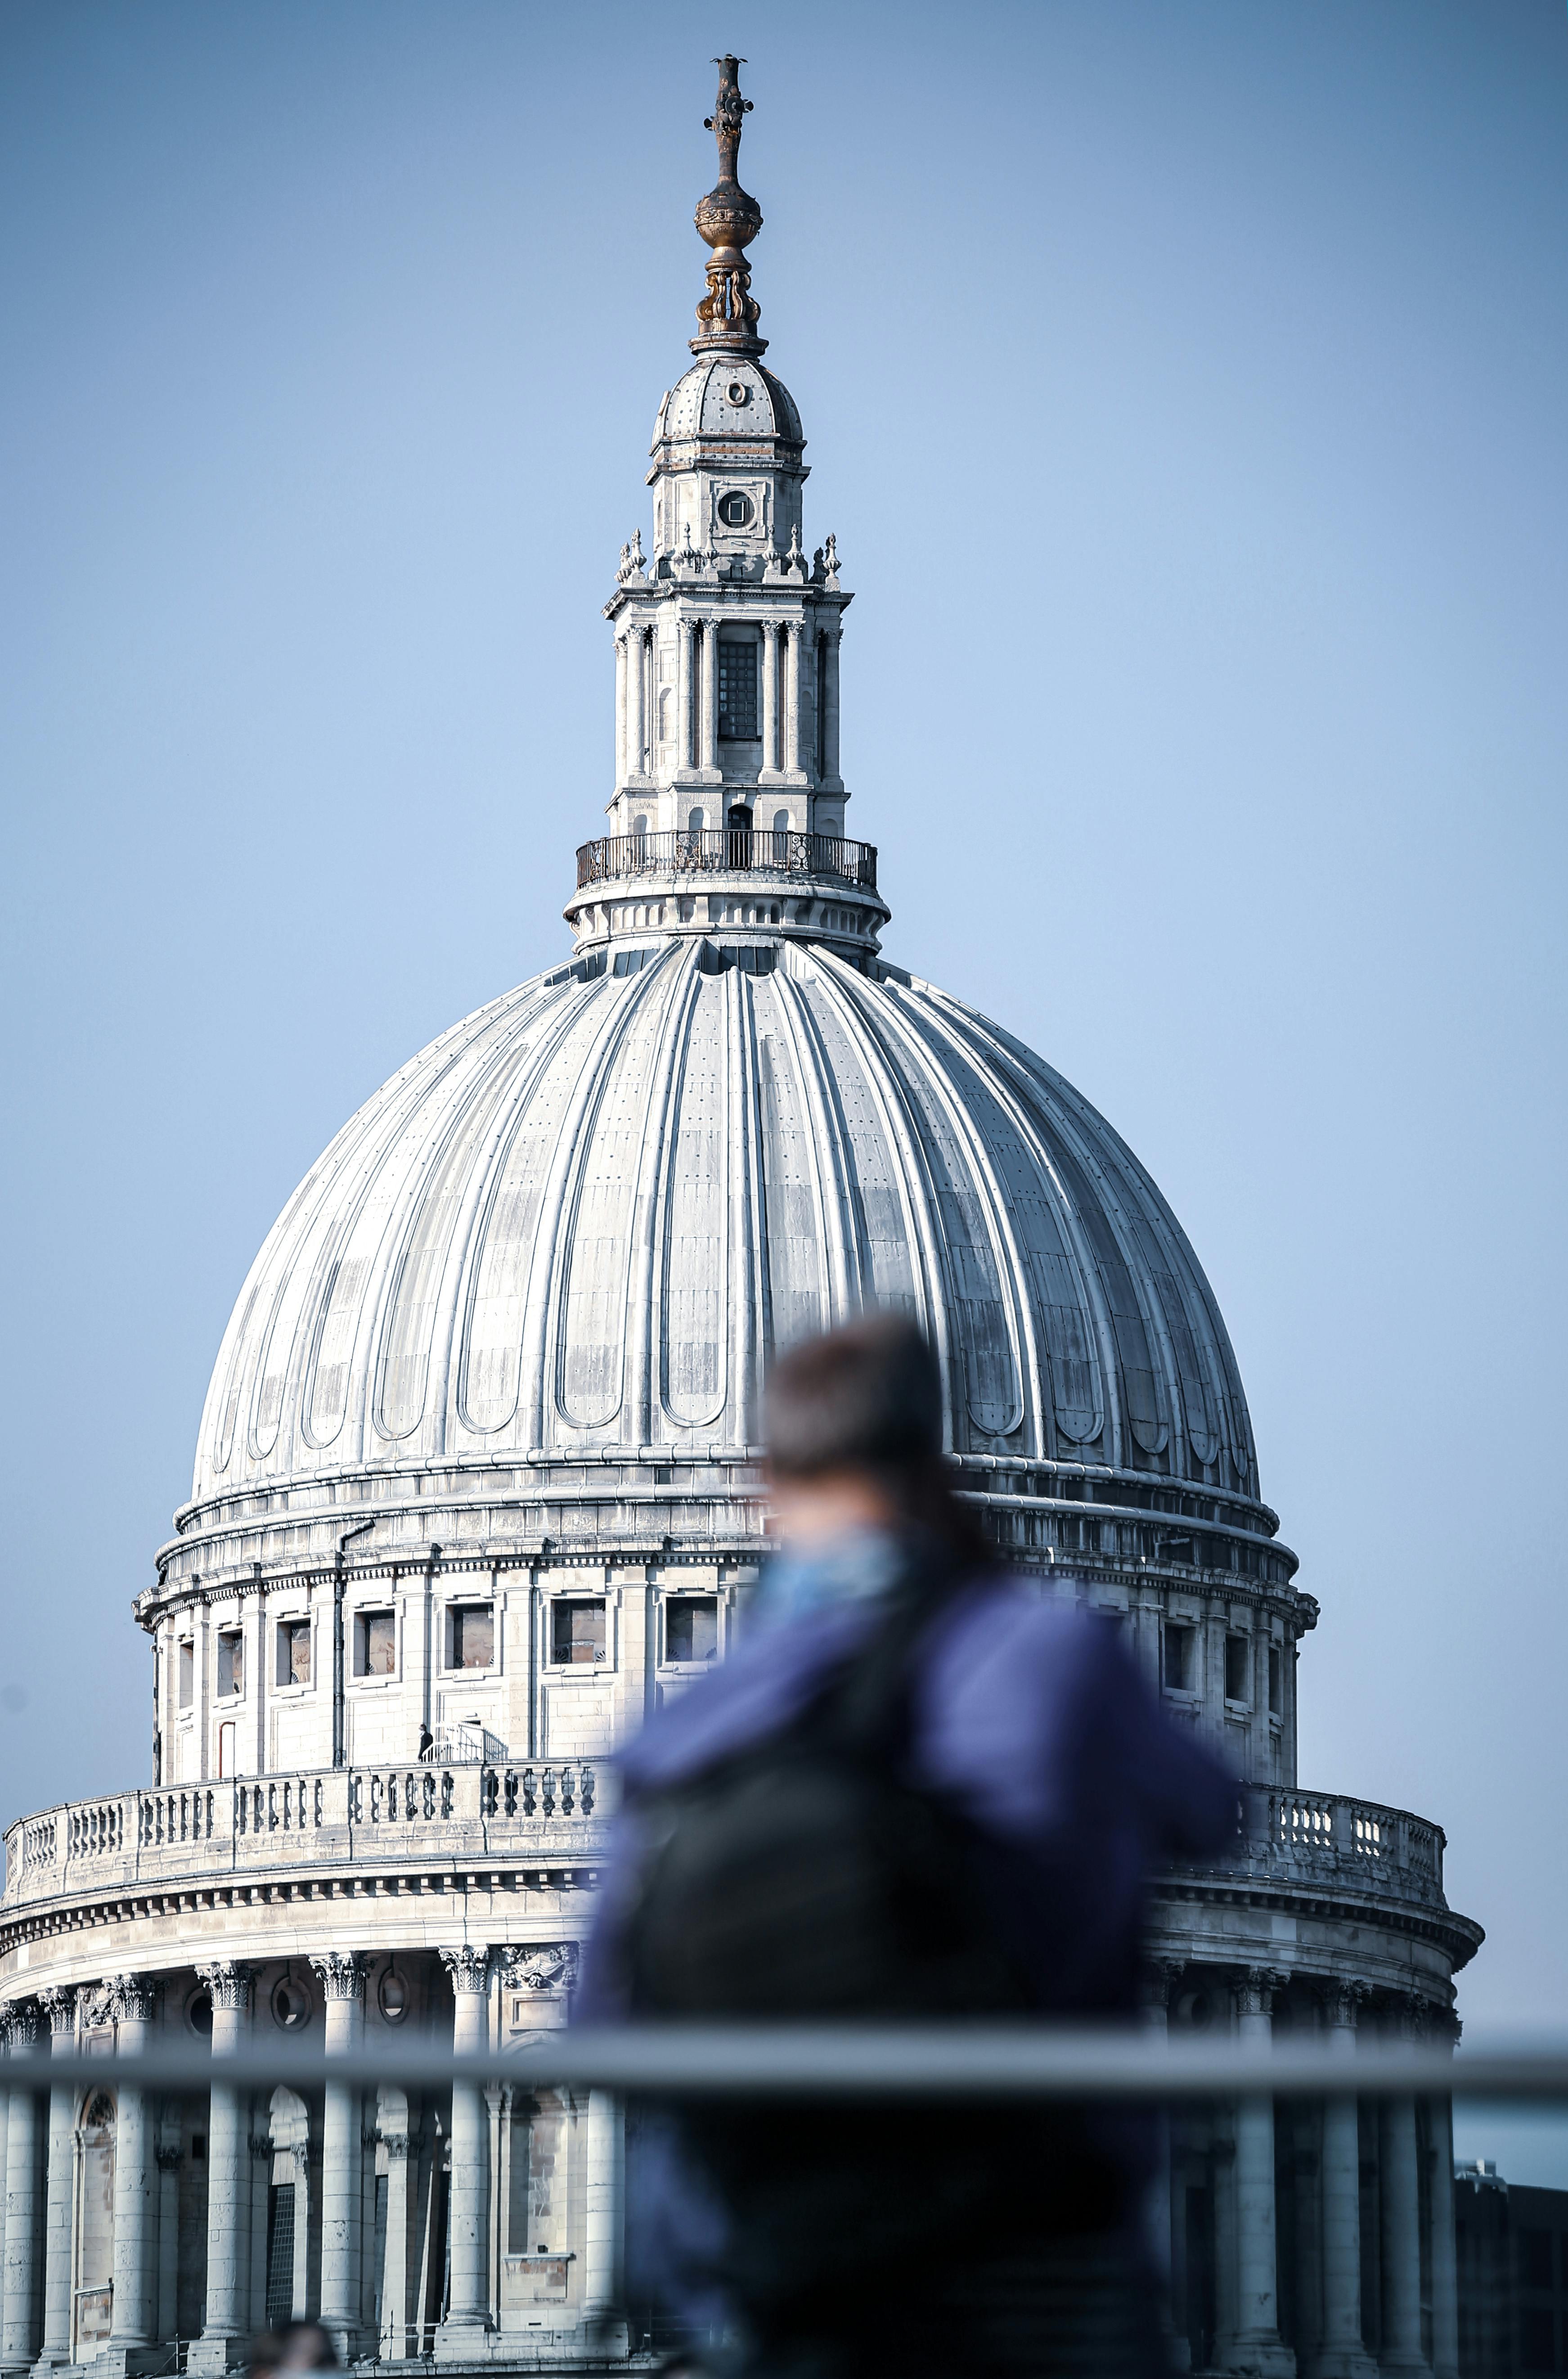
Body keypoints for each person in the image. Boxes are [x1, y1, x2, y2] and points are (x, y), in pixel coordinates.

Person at [576, 1313, 1237, 2379]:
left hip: (789, 2284)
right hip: (1037, 2275)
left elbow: (600, 2019)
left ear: (766, 1491)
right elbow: (1213, 1814)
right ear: (935, 1469)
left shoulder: (686, 1736)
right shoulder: (1041, 1655)